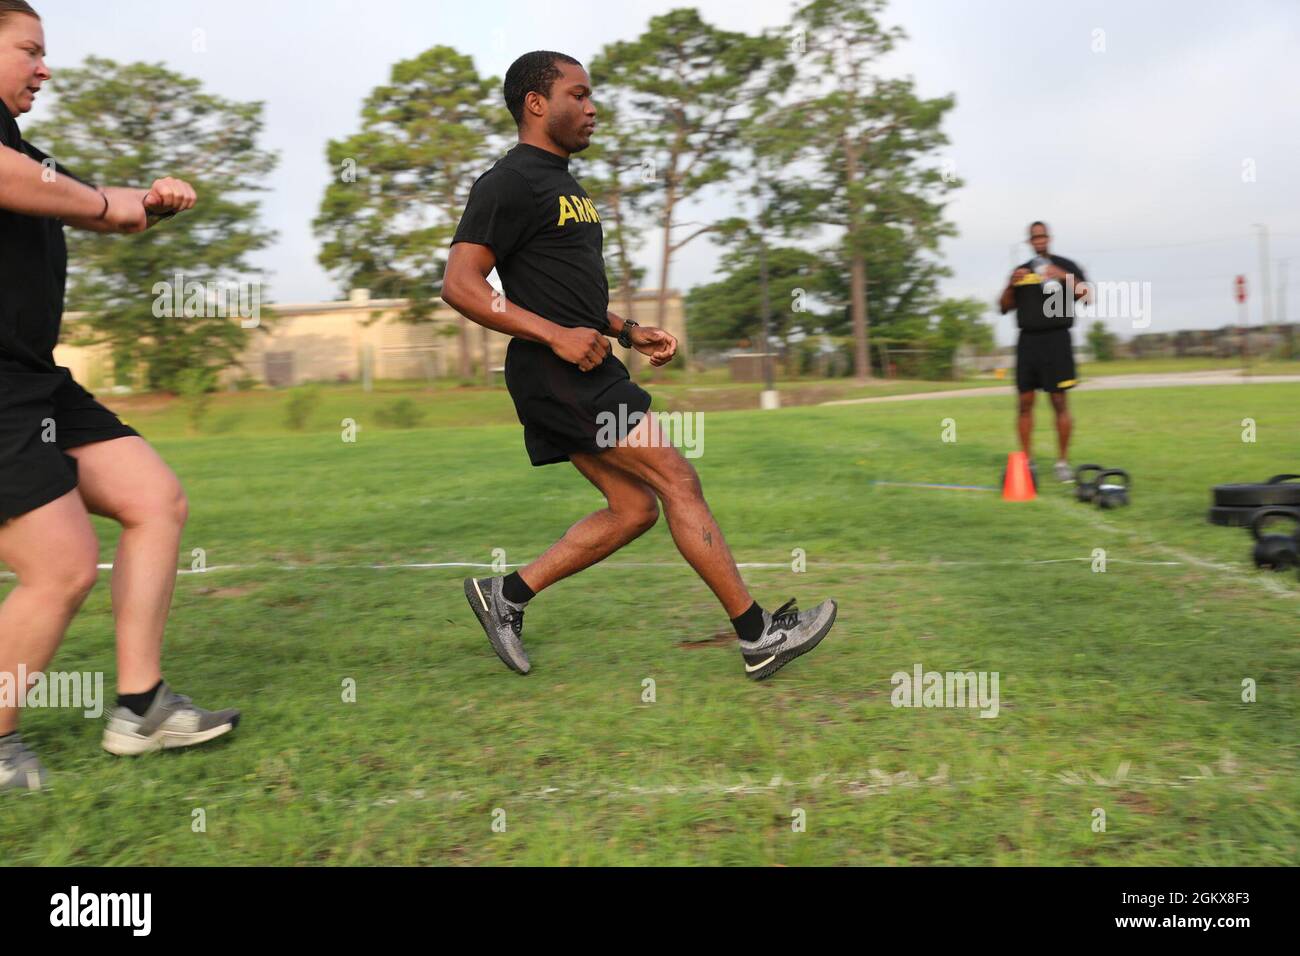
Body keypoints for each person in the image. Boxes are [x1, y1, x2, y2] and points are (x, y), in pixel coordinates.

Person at [442, 51, 837, 680]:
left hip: (585, 366)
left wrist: (626, 329)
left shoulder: (565, 185)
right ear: (536, 103)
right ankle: (759, 635)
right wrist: (557, 338)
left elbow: (565, 293)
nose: (593, 108)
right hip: (556, 373)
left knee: (635, 509)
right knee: (678, 479)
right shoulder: (509, 181)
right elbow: (461, 285)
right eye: (579, 94)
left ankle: (506, 596)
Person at [0, 0, 239, 792]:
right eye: (29, 49)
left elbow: (90, 203)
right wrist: (107, 202)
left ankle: (141, 706)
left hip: (34, 377)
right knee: (62, 565)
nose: (45, 66)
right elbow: (64, 196)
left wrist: (148, 200)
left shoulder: (24, 154)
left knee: (153, 498)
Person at [998, 220, 1090, 484]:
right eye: (1034, 238)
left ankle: (1062, 463)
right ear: (1029, 242)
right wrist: (1009, 285)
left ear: (1049, 238)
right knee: (1024, 404)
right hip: (1028, 342)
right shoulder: (1021, 271)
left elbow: (1087, 296)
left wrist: (1061, 275)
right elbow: (1004, 307)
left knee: (1059, 402)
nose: (1039, 241)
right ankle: (1027, 462)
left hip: (1057, 340)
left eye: (1042, 236)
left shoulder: (1067, 266)